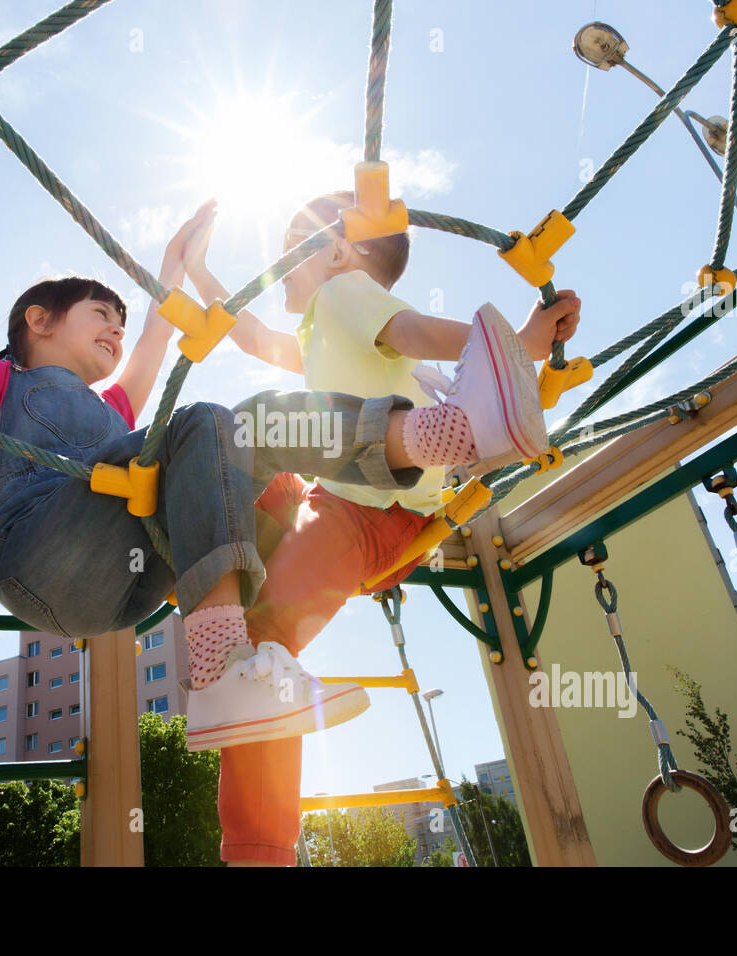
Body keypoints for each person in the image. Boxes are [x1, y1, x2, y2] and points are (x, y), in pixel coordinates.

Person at [0, 203, 539, 754]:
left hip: (119, 588)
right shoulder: (0, 382)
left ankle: (447, 433)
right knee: (204, 422)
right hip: (35, 547)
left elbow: (161, 335)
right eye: (100, 313)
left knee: (241, 431)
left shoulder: (117, 412)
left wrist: (175, 268)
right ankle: (221, 667)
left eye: (119, 320)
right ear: (37, 322)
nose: (116, 327)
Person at [179, 191, 582, 865]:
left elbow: (416, 331)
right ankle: (257, 838)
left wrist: (516, 343)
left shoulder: (341, 296)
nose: (280, 266)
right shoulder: (320, 330)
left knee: (255, 648)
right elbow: (248, 334)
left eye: (291, 249)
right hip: (367, 516)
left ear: (339, 251)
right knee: (257, 632)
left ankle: (258, 847)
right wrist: (198, 269)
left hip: (364, 514)